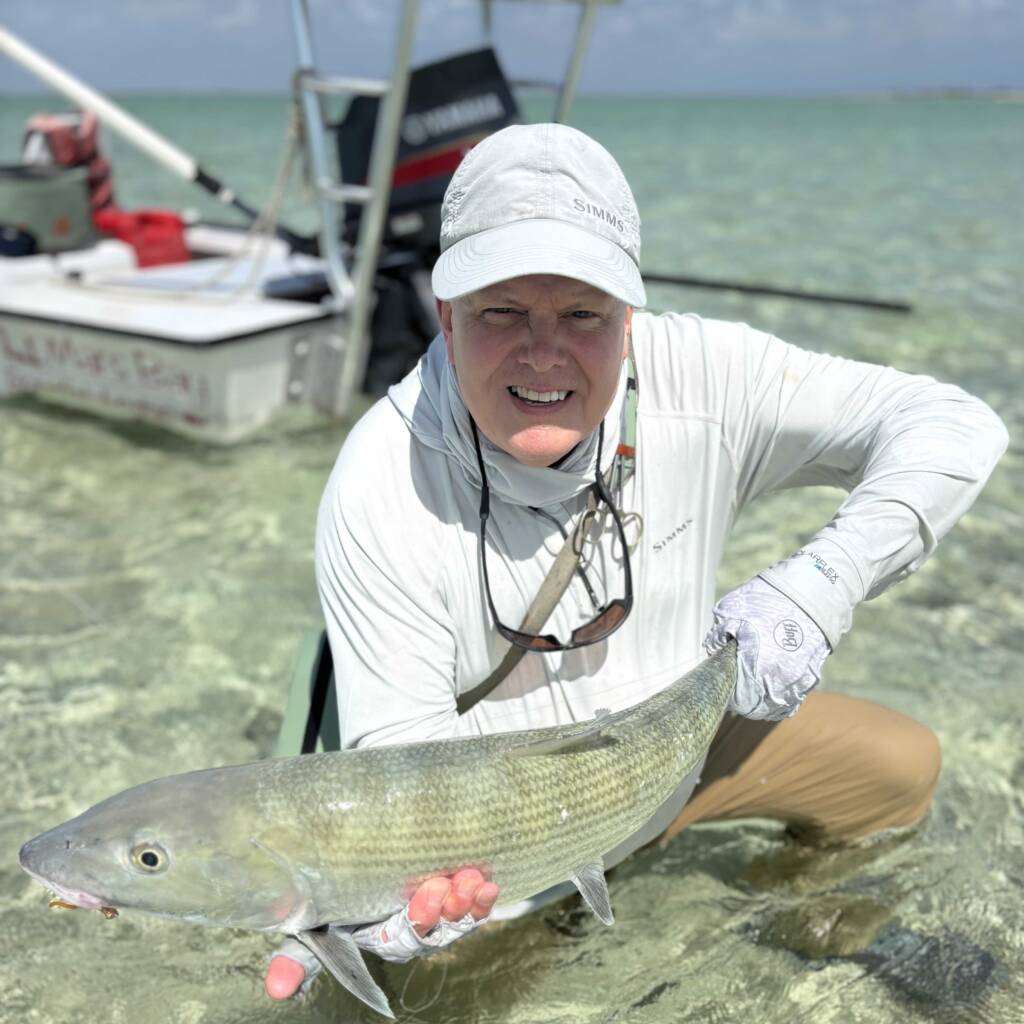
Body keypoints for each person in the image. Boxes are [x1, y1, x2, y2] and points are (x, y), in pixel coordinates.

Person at [264, 123, 1008, 999]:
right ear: (446, 317)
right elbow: (404, 761)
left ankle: (787, 923)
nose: (543, 352)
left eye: (583, 313)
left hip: (677, 746)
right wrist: (391, 900)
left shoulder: (704, 373)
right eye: (501, 311)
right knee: (416, 991)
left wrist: (821, 585)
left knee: (897, 770)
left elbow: (956, 426)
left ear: (629, 318)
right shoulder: (379, 480)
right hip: (500, 834)